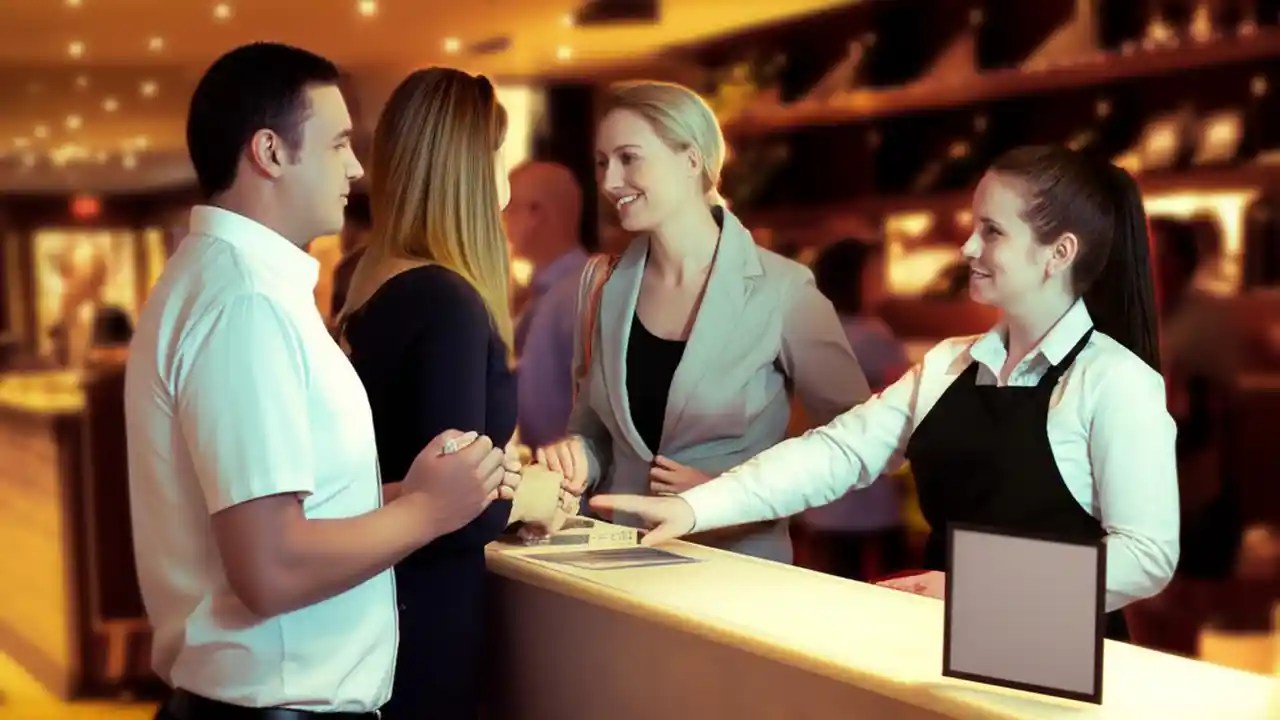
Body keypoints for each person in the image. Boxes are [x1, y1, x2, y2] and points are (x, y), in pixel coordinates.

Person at [594, 145, 1181, 640]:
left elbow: (1147, 556)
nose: (968, 249)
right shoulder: (951, 363)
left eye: (992, 232)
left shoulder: (1116, 381)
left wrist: (976, 592)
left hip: (1059, 655)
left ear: (1059, 253)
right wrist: (698, 507)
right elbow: (840, 452)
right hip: (940, 641)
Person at [125, 43, 513, 720]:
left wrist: (411, 492)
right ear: (271, 152)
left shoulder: (233, 285)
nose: (358, 168)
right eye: (337, 144)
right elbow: (270, 567)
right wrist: (427, 511)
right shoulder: (244, 303)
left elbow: (281, 517)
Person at [538, 80, 870, 563]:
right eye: (601, 162)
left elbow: (857, 442)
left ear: (691, 160)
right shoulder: (603, 288)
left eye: (629, 158)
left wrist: (735, 494)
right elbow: (596, 435)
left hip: (736, 575)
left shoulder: (783, 290)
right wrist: (573, 458)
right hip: (620, 569)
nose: (610, 182)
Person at [336, 68, 570, 720]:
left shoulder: (363, 280)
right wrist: (532, 497)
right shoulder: (448, 303)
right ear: (468, 166)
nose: (507, 175)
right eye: (499, 152)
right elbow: (451, 506)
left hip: (373, 607)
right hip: (427, 615)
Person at [797, 238, 910, 580]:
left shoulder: (812, 331)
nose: (882, 280)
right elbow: (904, 403)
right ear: (854, 278)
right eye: (875, 272)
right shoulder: (873, 336)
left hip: (819, 498)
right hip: (867, 502)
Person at [504, 160, 589, 450]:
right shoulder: (537, 293)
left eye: (508, 207)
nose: (501, 219)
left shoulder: (580, 294)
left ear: (536, 213)